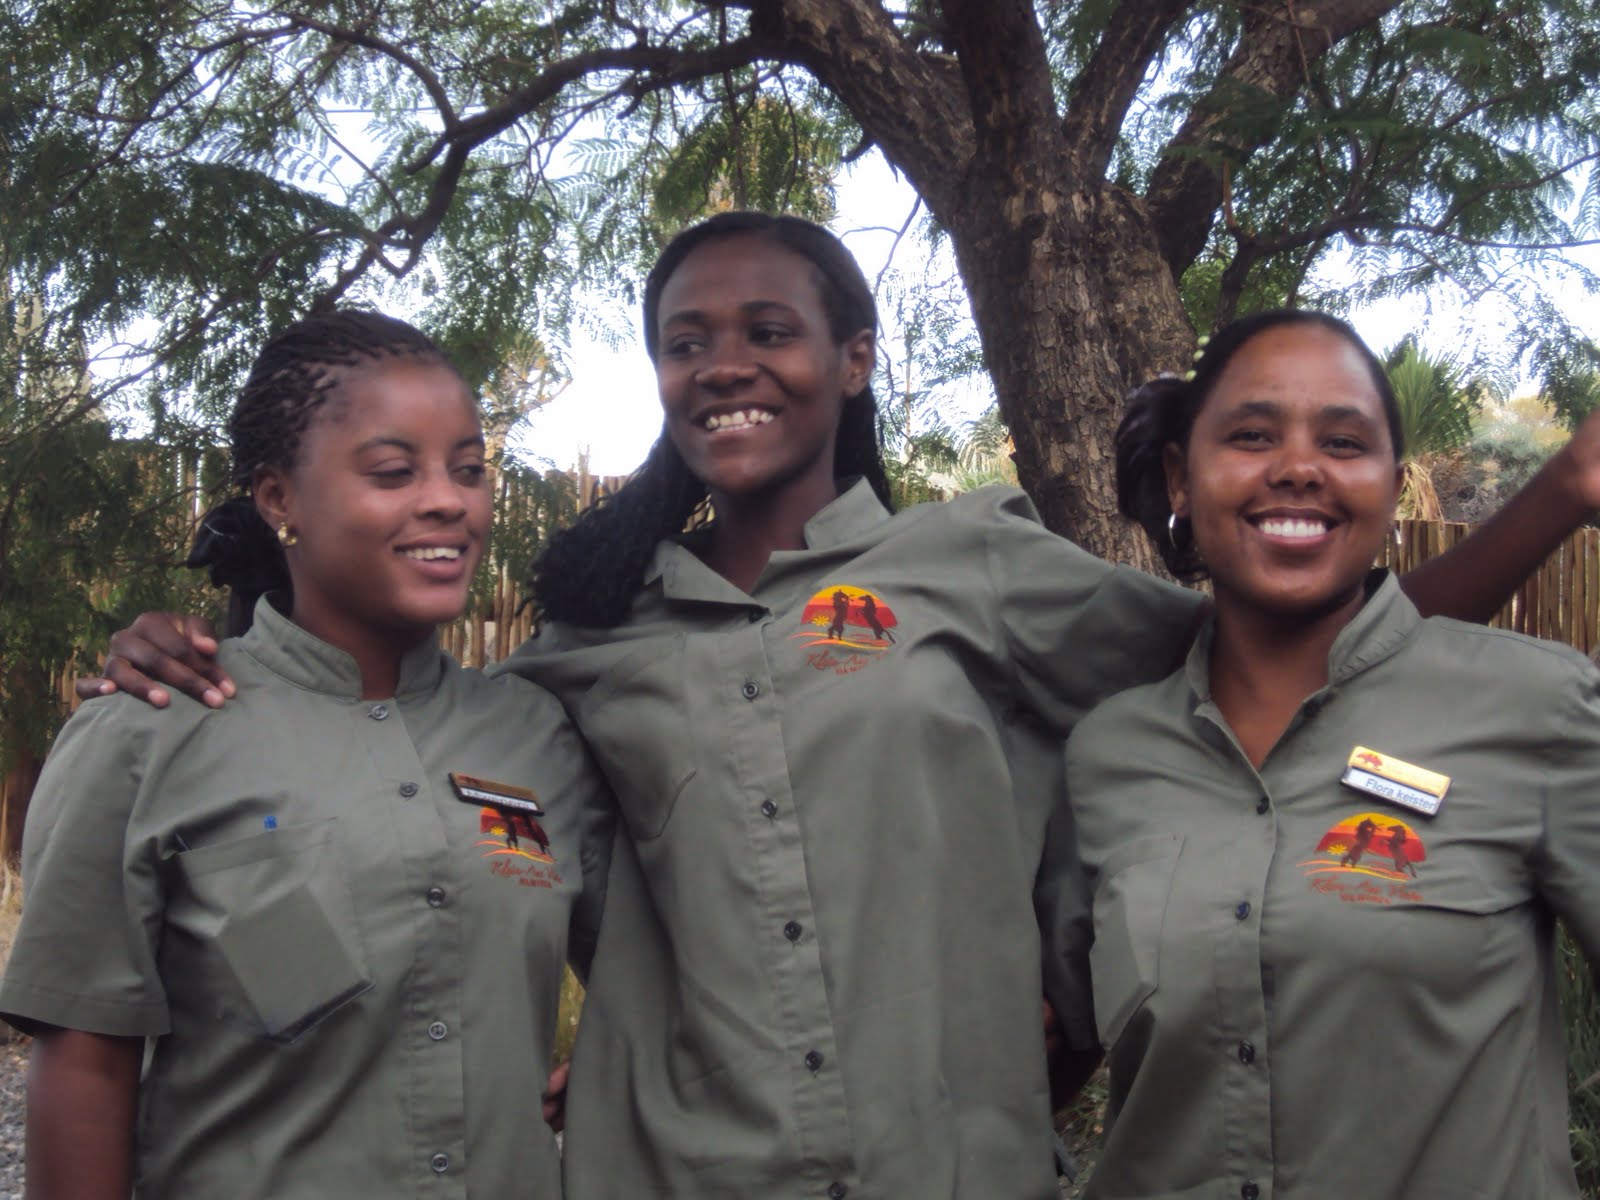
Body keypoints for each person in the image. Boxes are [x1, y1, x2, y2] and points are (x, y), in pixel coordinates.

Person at [78, 216, 1600, 1198]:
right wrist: (196, 653)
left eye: (768, 331)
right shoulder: (584, 653)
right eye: (687, 341)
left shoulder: (977, 567)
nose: (726, 365)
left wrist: (1559, 497)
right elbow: (379, 734)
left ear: (854, 359)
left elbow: (1296, 646)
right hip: (685, 1176)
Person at [0, 312, 608, 1199]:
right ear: (278, 497)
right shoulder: (151, 732)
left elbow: (653, 973)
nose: (448, 499)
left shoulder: (535, 735)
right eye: (394, 471)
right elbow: (85, 1069)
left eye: (469, 469)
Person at [1063, 309, 1600, 1198]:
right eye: (1250, 435)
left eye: (1344, 443)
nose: (1299, 468)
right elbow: (1050, 1054)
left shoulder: (1535, 709)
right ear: (1179, 478)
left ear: (1393, 485)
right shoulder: (1106, 758)